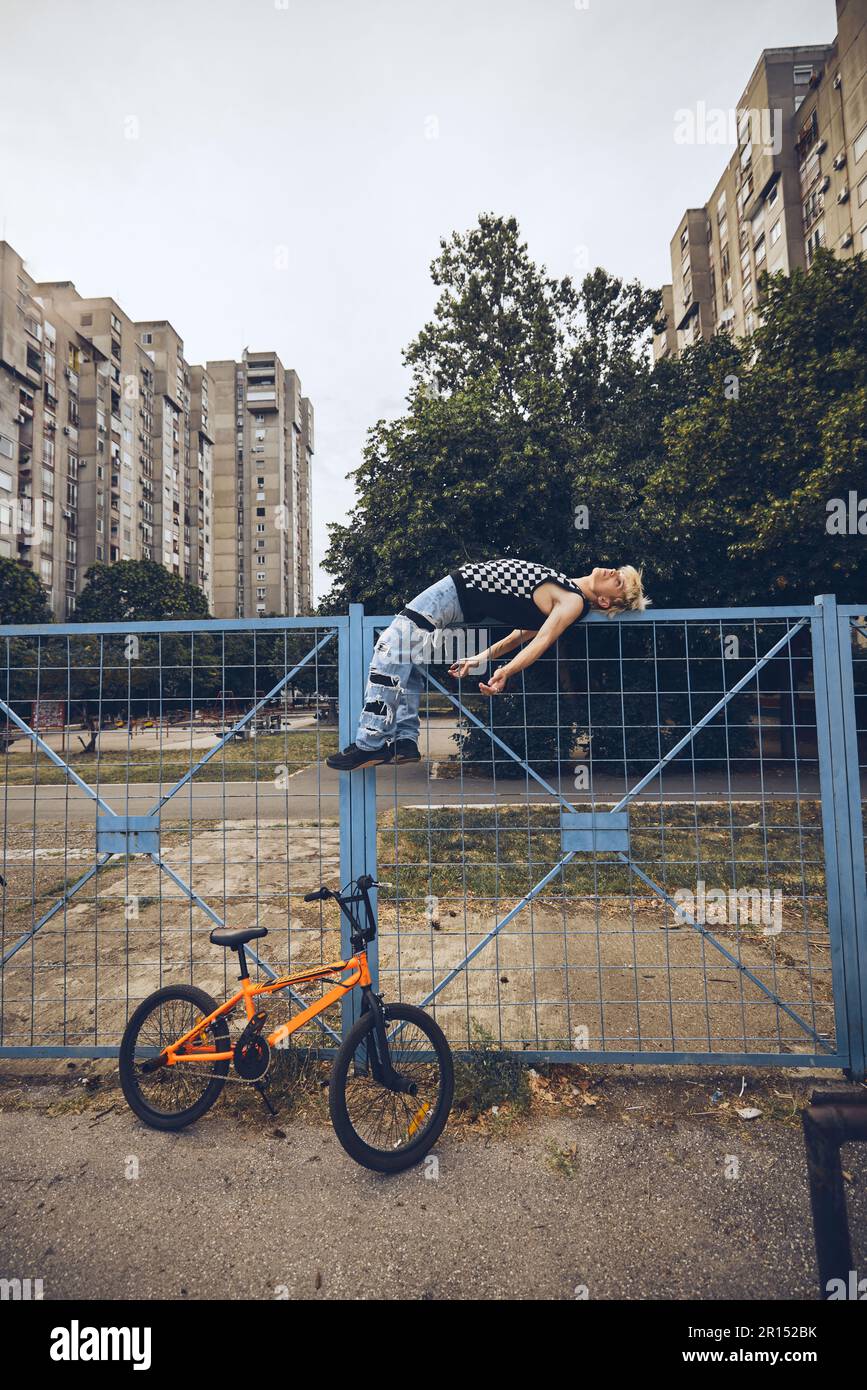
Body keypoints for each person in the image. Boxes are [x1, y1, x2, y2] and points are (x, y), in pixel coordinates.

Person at [326, 557, 650, 771]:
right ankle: (405, 742)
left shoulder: (572, 601)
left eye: (619, 582)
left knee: (390, 647)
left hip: (455, 594)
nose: (613, 573)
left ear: (605, 601)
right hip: (460, 596)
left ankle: (370, 743)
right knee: (406, 654)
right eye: (619, 572)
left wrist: (506, 671)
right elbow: (520, 634)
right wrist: (481, 658)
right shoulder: (566, 588)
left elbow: (541, 641)